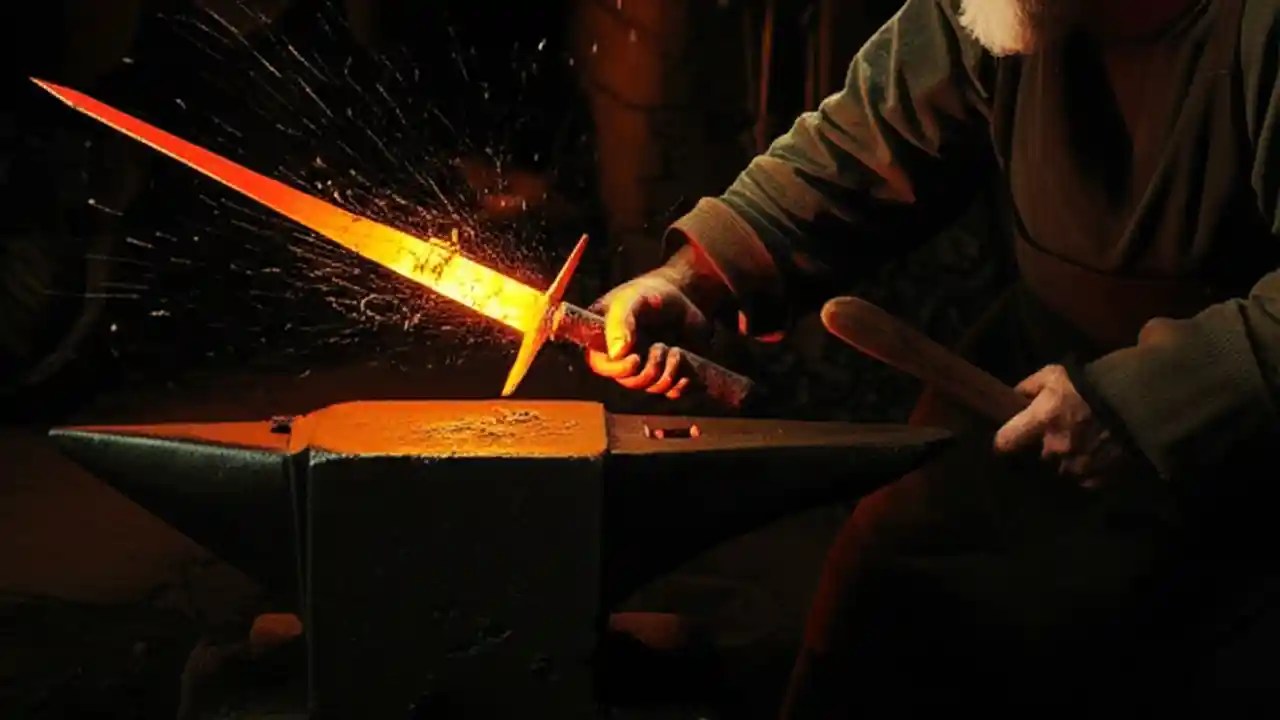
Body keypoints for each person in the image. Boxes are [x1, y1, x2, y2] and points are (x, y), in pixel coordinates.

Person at [586, 0, 1280, 714]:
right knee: (883, 599)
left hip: (1237, 430)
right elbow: (860, 143)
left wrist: (1151, 400)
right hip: (1019, 388)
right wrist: (693, 279)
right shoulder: (1003, 7)